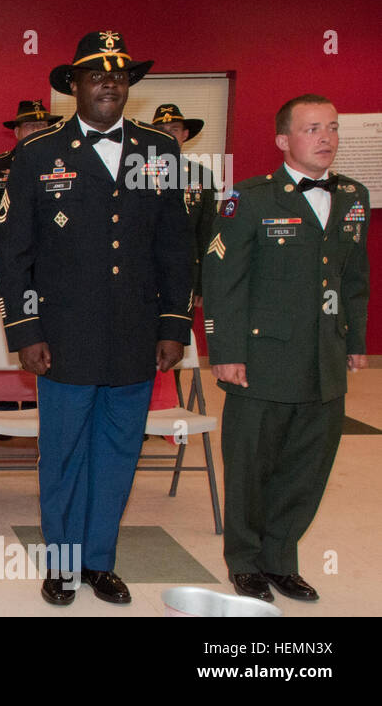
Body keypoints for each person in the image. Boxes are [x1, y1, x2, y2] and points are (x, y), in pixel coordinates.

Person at [0, 31, 192, 606]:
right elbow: (14, 254)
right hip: (62, 337)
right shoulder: (36, 154)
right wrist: (25, 331)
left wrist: (173, 325)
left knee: (118, 452)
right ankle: (60, 564)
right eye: (96, 73)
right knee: (62, 453)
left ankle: (99, 560)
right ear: (72, 86)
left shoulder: (161, 152)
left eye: (120, 73)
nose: (110, 81)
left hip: (136, 335)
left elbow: (176, 247)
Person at [204, 94, 368, 603]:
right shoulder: (247, 198)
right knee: (252, 466)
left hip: (324, 359)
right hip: (262, 360)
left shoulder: (352, 195)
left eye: (333, 128)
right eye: (313, 128)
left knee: (306, 468)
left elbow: (354, 278)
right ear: (283, 140)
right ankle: (246, 562)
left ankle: (281, 559)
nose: (326, 138)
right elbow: (222, 280)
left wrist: (354, 340)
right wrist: (226, 350)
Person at [0, 100, 62, 273]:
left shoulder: (64, 166)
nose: (37, 131)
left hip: (53, 259)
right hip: (9, 258)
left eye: (41, 126)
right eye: (30, 126)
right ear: (17, 132)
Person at [152, 103, 217, 308]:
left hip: (185, 272)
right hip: (146, 272)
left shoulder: (202, 176)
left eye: (175, 130)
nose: (169, 136)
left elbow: (207, 232)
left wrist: (202, 284)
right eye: (162, 131)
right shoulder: (136, 173)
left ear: (185, 134)